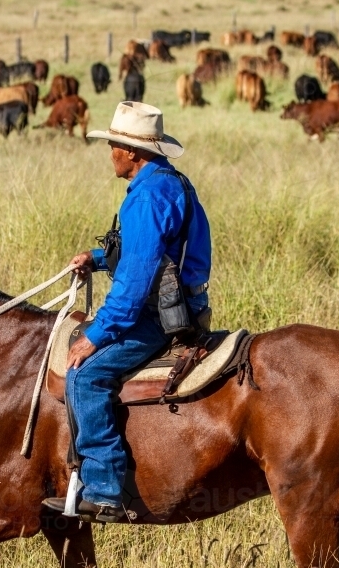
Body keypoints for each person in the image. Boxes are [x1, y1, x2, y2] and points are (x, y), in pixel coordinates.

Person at [42, 102, 212, 523]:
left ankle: (104, 489)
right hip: (181, 302)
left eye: (114, 145)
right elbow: (149, 250)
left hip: (159, 315)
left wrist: (95, 336)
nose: (111, 152)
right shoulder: (166, 183)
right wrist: (98, 258)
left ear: (133, 152)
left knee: (85, 375)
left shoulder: (149, 195)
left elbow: (135, 285)